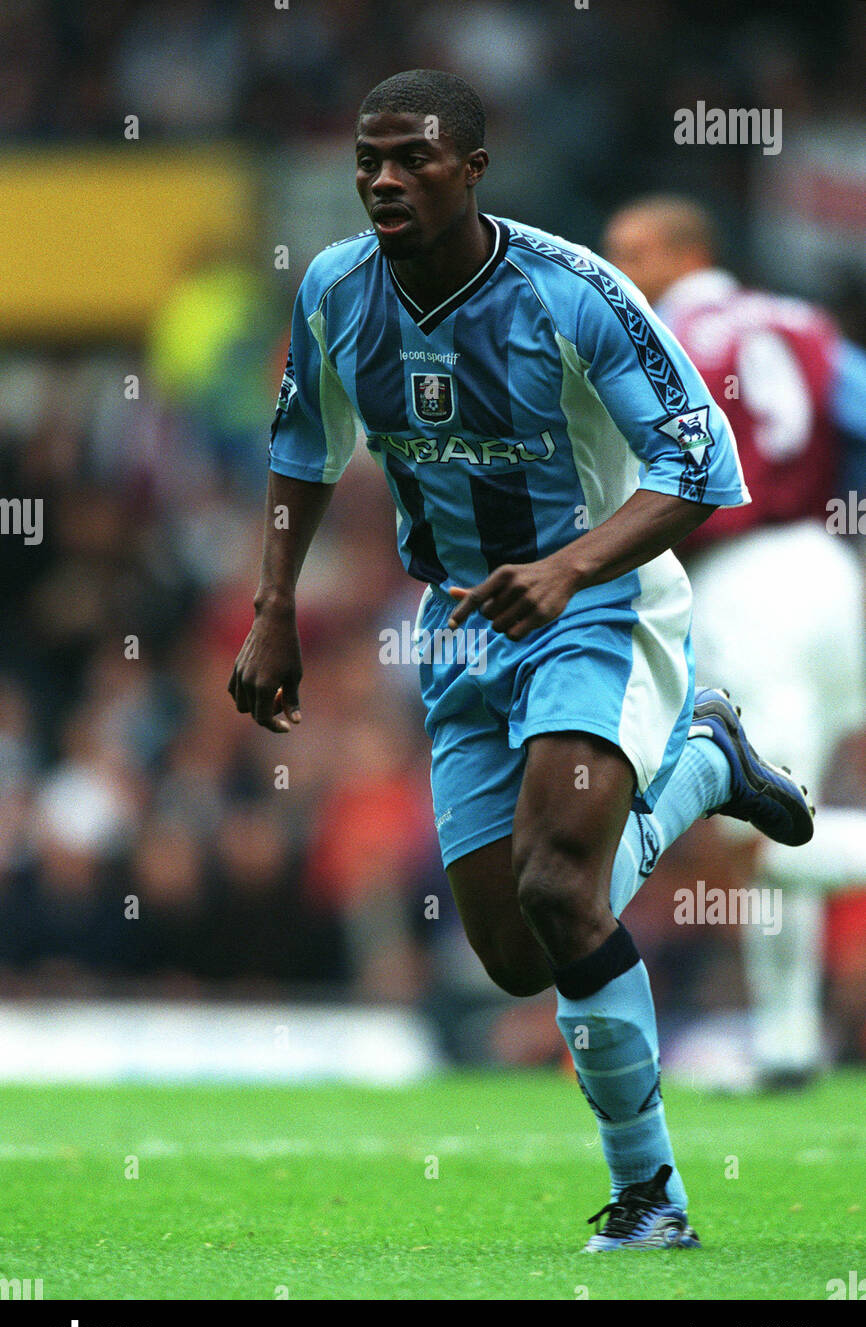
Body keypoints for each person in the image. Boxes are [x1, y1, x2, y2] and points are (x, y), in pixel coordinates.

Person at [229, 71, 814, 1250]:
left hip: (596, 604)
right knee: (509, 953)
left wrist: (566, 570)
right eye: (367, 160)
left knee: (560, 884)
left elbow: (695, 468)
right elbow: (300, 447)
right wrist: (274, 608)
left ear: (474, 168)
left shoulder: (575, 292)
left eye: (412, 160)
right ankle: (702, 764)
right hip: (457, 626)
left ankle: (650, 1196)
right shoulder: (340, 289)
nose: (383, 180)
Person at [603, 196, 866, 1089]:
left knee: (764, 832)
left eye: (633, 251)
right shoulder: (801, 322)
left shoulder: (659, 337)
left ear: (687, 252)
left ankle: (787, 1038)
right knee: (781, 806)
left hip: (745, 588)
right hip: (831, 573)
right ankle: (788, 1044)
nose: (619, 269)